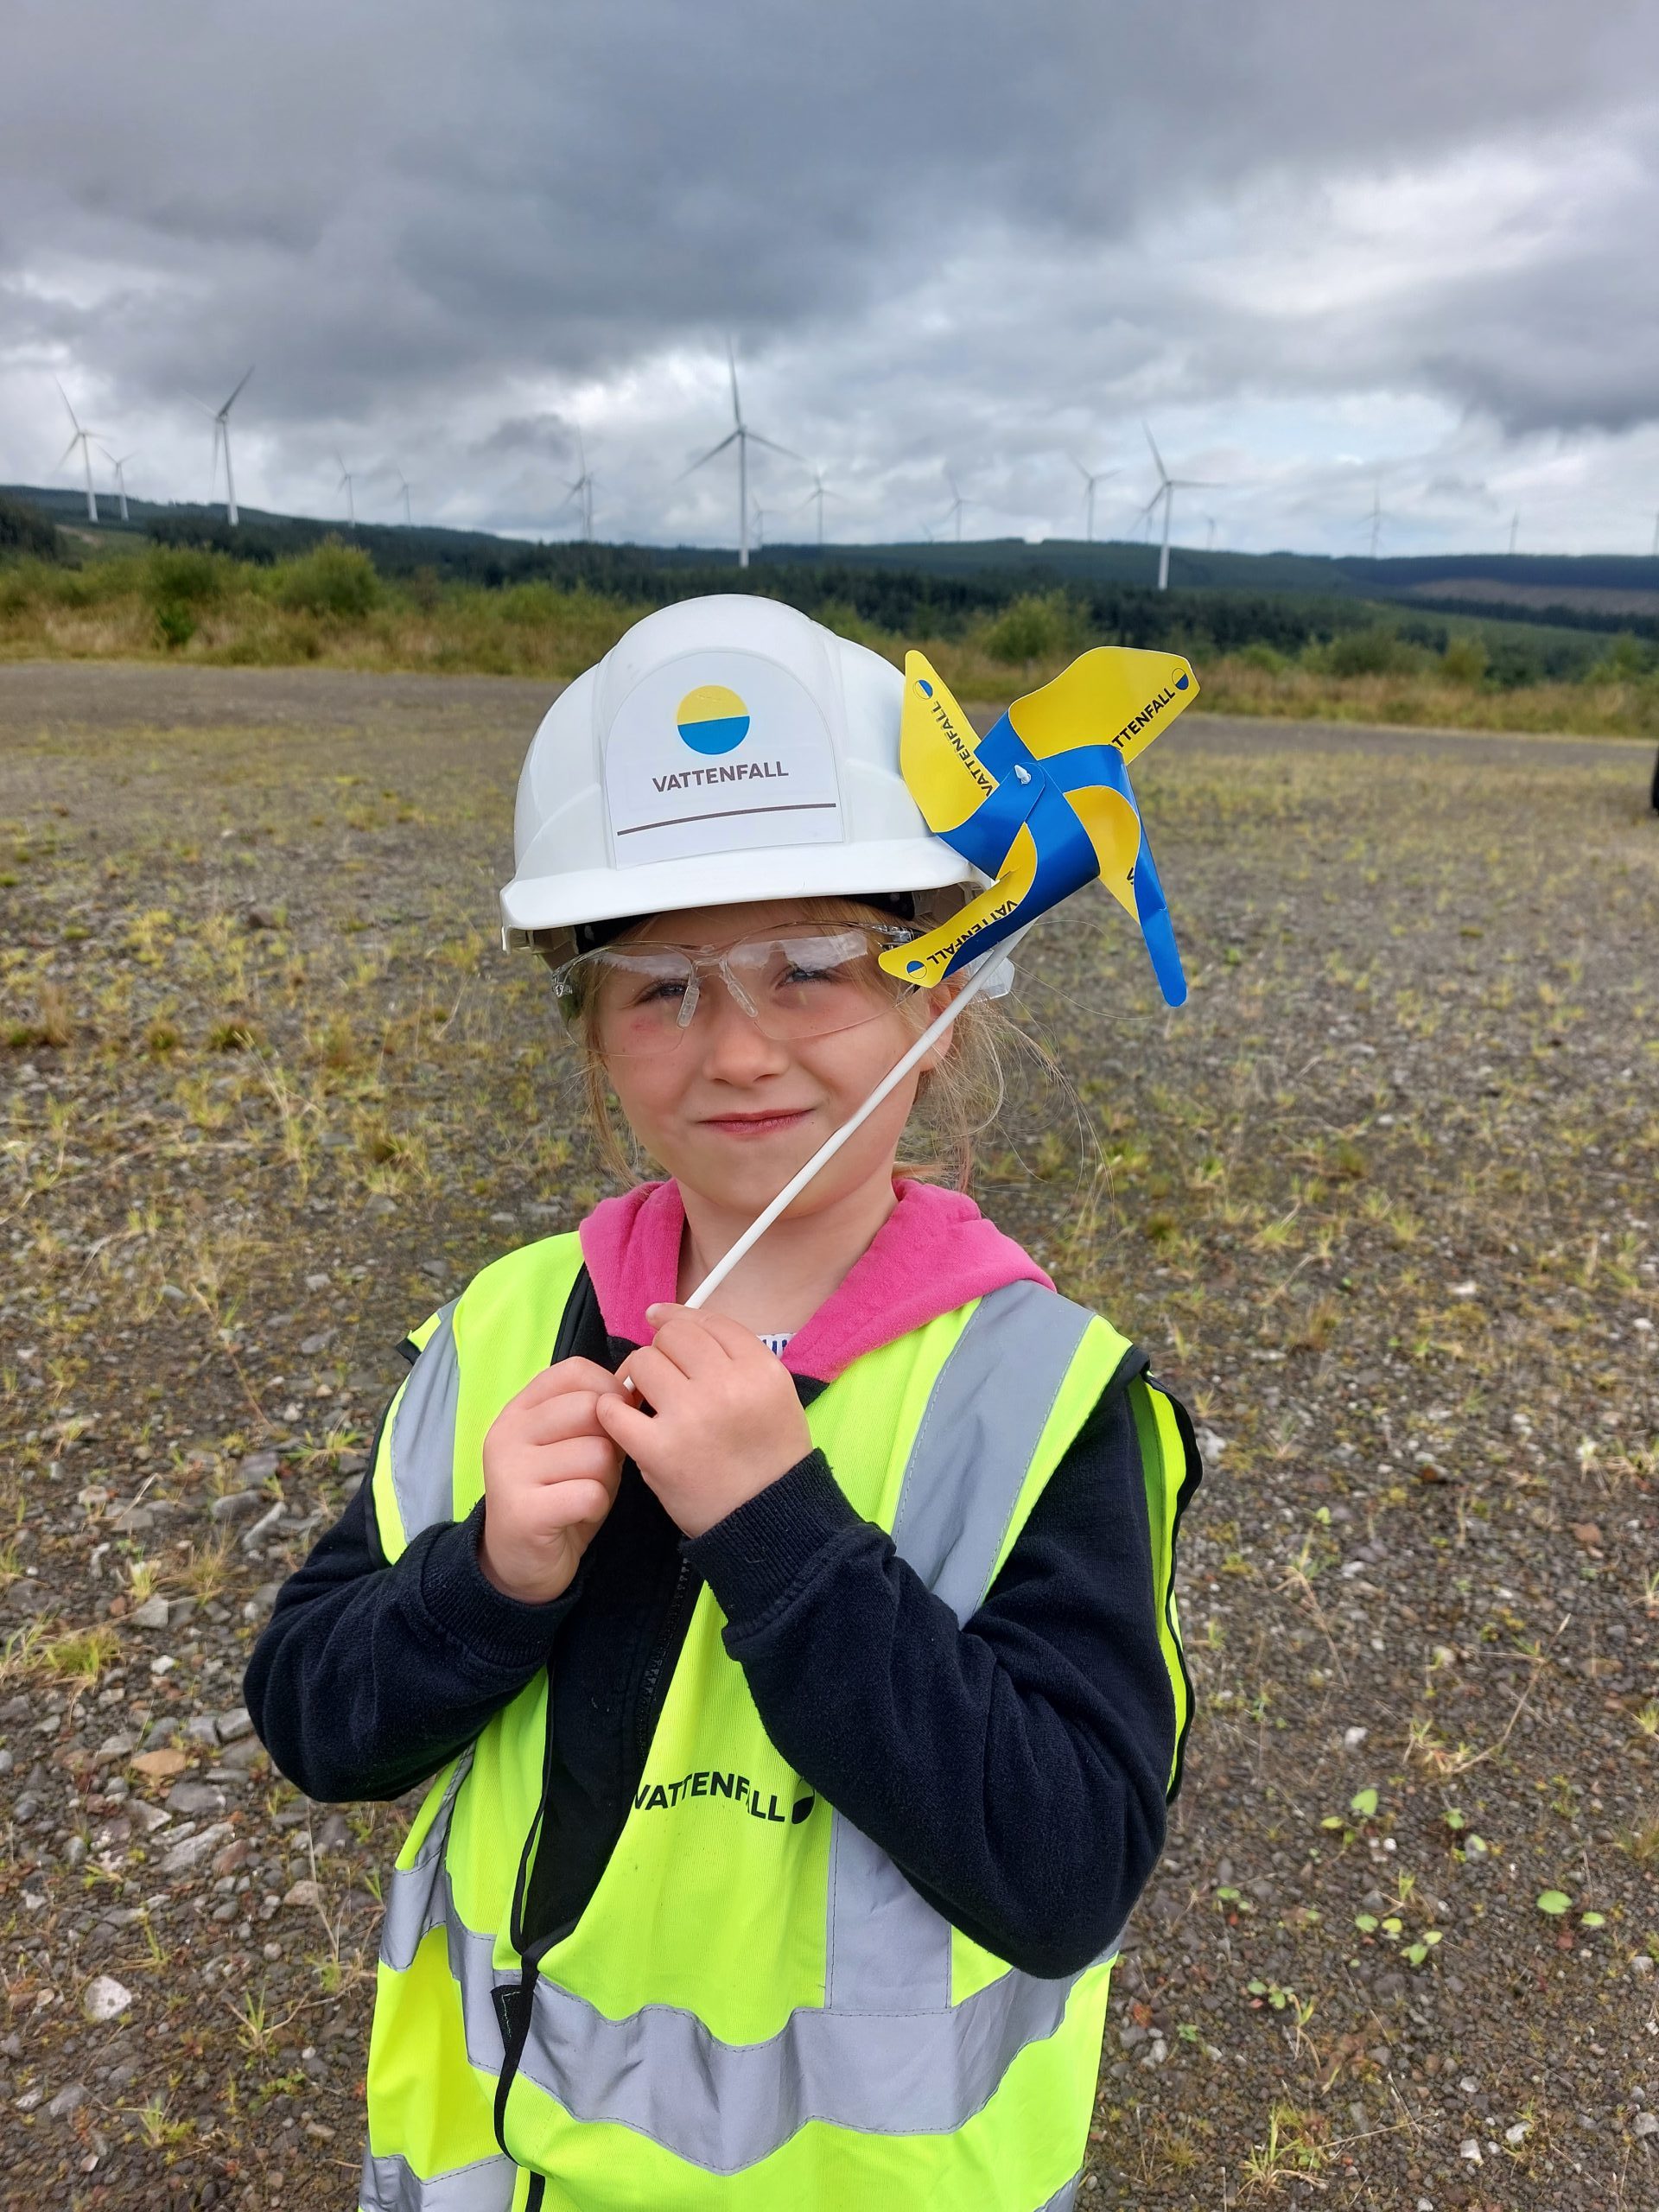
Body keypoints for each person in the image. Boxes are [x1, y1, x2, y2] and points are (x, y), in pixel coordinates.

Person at [244, 594, 1203, 2212]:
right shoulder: (506, 1329)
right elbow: (314, 1718)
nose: (740, 1048)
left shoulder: (1039, 1398)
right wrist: (484, 1582)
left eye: (816, 964)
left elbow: (1065, 1867)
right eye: (659, 987)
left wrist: (787, 1537)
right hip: (492, 2168)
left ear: (942, 992)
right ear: (594, 1036)